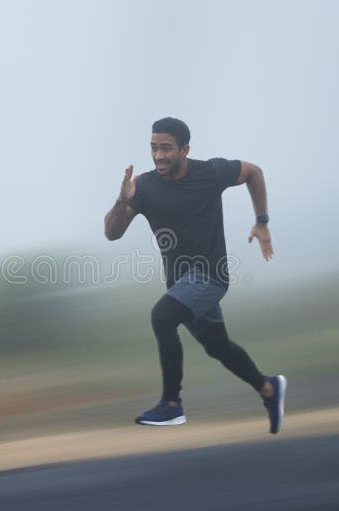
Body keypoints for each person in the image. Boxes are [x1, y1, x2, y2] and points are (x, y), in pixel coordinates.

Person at [103, 117, 287, 434]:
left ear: (184, 150)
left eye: (166, 148)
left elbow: (253, 172)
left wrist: (262, 221)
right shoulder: (144, 187)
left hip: (211, 277)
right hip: (181, 285)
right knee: (218, 346)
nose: (158, 155)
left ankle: (172, 404)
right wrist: (122, 200)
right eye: (153, 148)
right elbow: (112, 233)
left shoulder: (211, 173)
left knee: (162, 316)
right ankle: (269, 388)